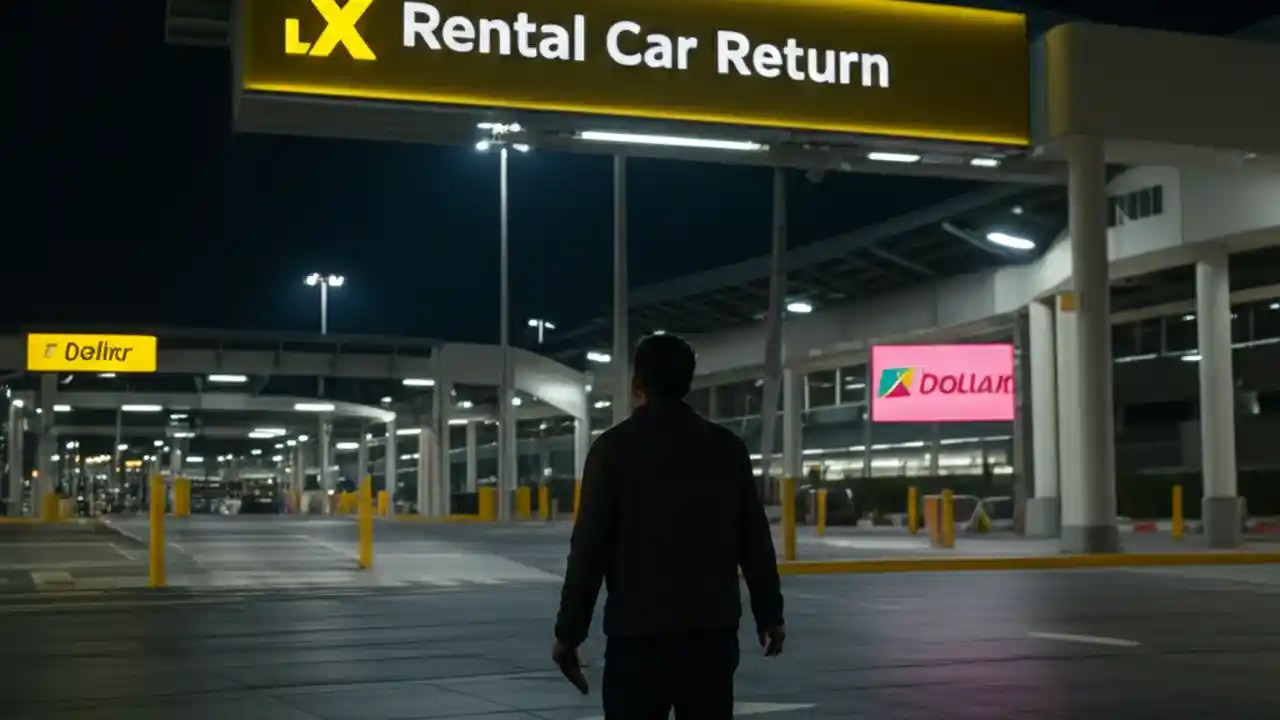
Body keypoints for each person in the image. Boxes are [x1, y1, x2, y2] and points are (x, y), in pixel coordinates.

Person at [553, 333, 786, 719]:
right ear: (687, 383)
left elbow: (589, 551)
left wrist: (568, 634)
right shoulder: (725, 448)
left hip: (637, 638)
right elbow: (754, 540)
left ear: (636, 382)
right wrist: (770, 613)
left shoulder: (613, 450)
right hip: (711, 637)